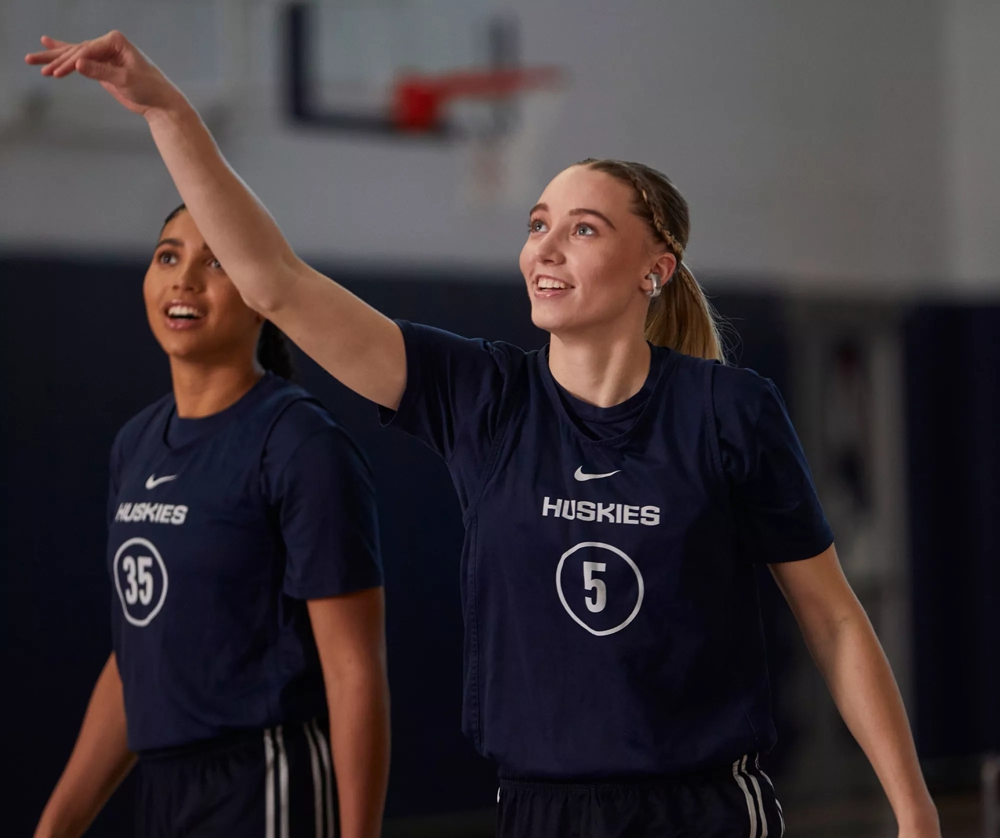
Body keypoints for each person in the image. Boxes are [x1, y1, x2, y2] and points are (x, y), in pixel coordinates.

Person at [26, 32, 941, 838]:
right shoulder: (484, 399)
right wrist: (168, 111)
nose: (546, 246)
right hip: (539, 808)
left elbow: (831, 617)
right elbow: (276, 286)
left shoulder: (727, 411)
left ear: (653, 270)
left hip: (702, 806)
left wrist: (913, 809)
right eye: (538, 224)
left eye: (582, 229)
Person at [32, 204, 389, 838]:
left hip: (265, 784)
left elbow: (354, 672)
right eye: (168, 256)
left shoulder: (300, 445)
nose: (184, 280)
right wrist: (57, 824)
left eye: (216, 262)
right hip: (164, 793)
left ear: (262, 296)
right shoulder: (135, 444)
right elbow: (138, 656)